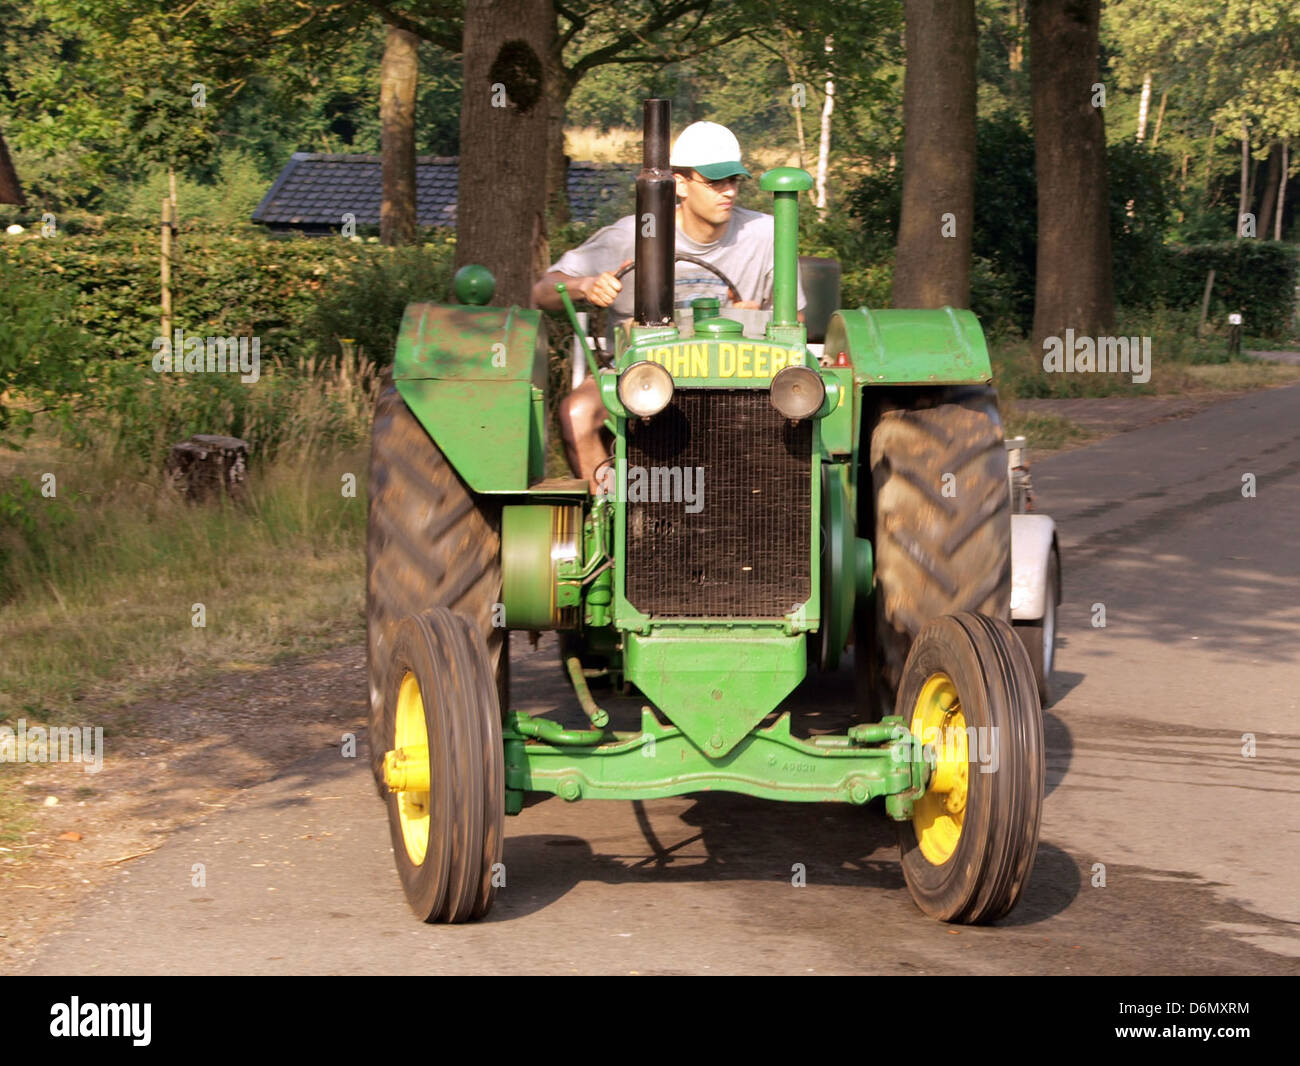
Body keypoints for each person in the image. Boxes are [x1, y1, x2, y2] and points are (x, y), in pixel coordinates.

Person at [532, 120, 806, 491]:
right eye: (715, 182)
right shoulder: (630, 234)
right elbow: (543, 290)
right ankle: (608, 506)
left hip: (738, 376)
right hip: (640, 374)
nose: (728, 192)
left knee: (805, 404)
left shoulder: (765, 234)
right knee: (577, 413)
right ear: (679, 183)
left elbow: (796, 322)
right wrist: (585, 285)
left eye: (734, 181)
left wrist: (756, 318)